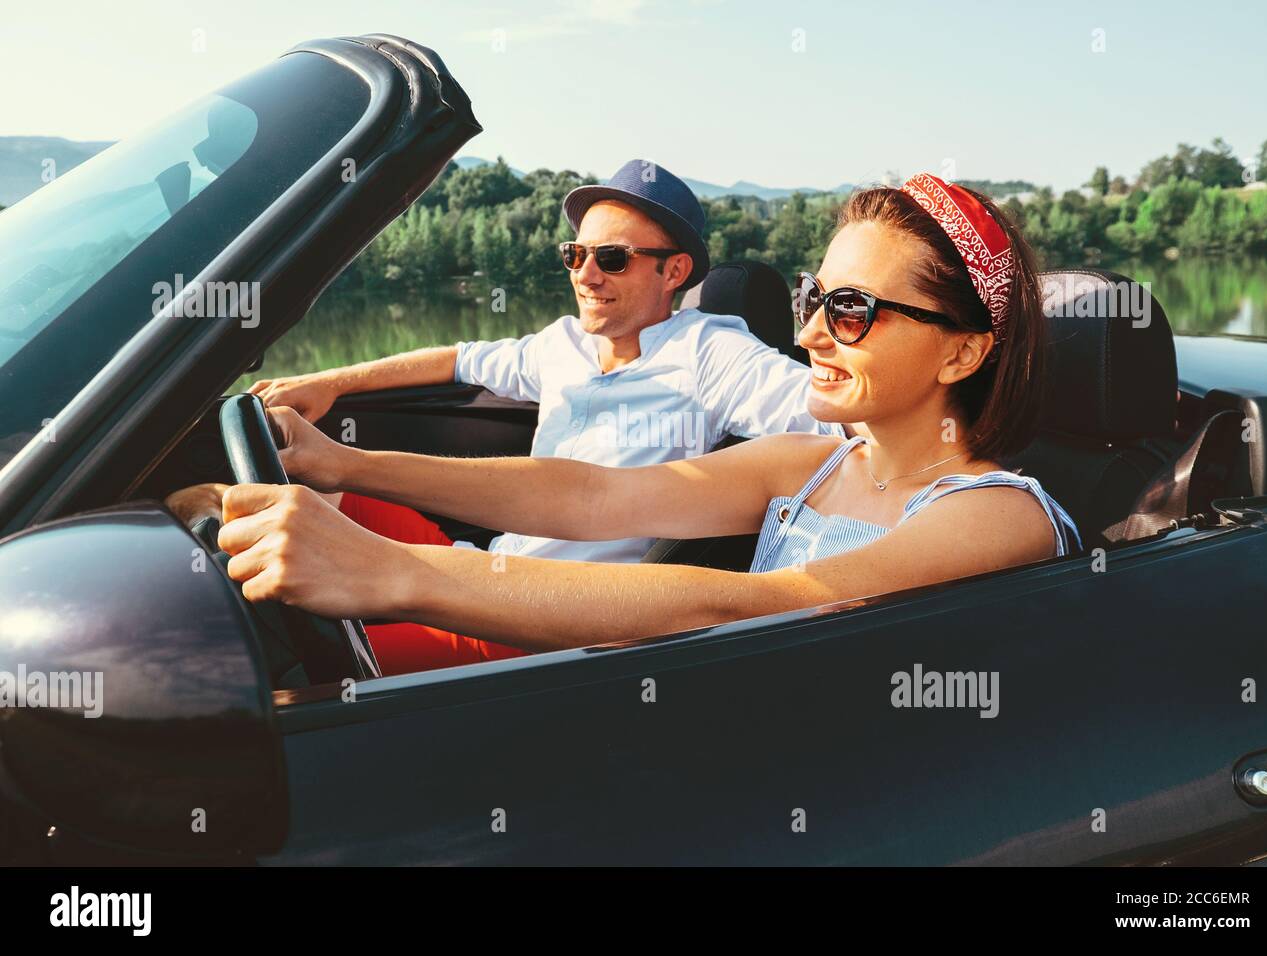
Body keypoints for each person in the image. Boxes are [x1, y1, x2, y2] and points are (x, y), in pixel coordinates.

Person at [214, 173, 1080, 666]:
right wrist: (344, 468)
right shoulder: (808, 465)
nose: (811, 330)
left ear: (962, 352)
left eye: (851, 309)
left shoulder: (998, 512)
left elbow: (747, 608)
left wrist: (399, 571)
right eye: (817, 297)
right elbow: (591, 499)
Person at [169, 159, 840, 671]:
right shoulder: (563, 346)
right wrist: (328, 381)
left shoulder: (711, 352)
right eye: (575, 254)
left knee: (266, 663)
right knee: (226, 502)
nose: (586, 273)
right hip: (479, 564)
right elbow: (456, 359)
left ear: (674, 272)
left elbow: (835, 416)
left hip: (536, 618)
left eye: (611, 258)